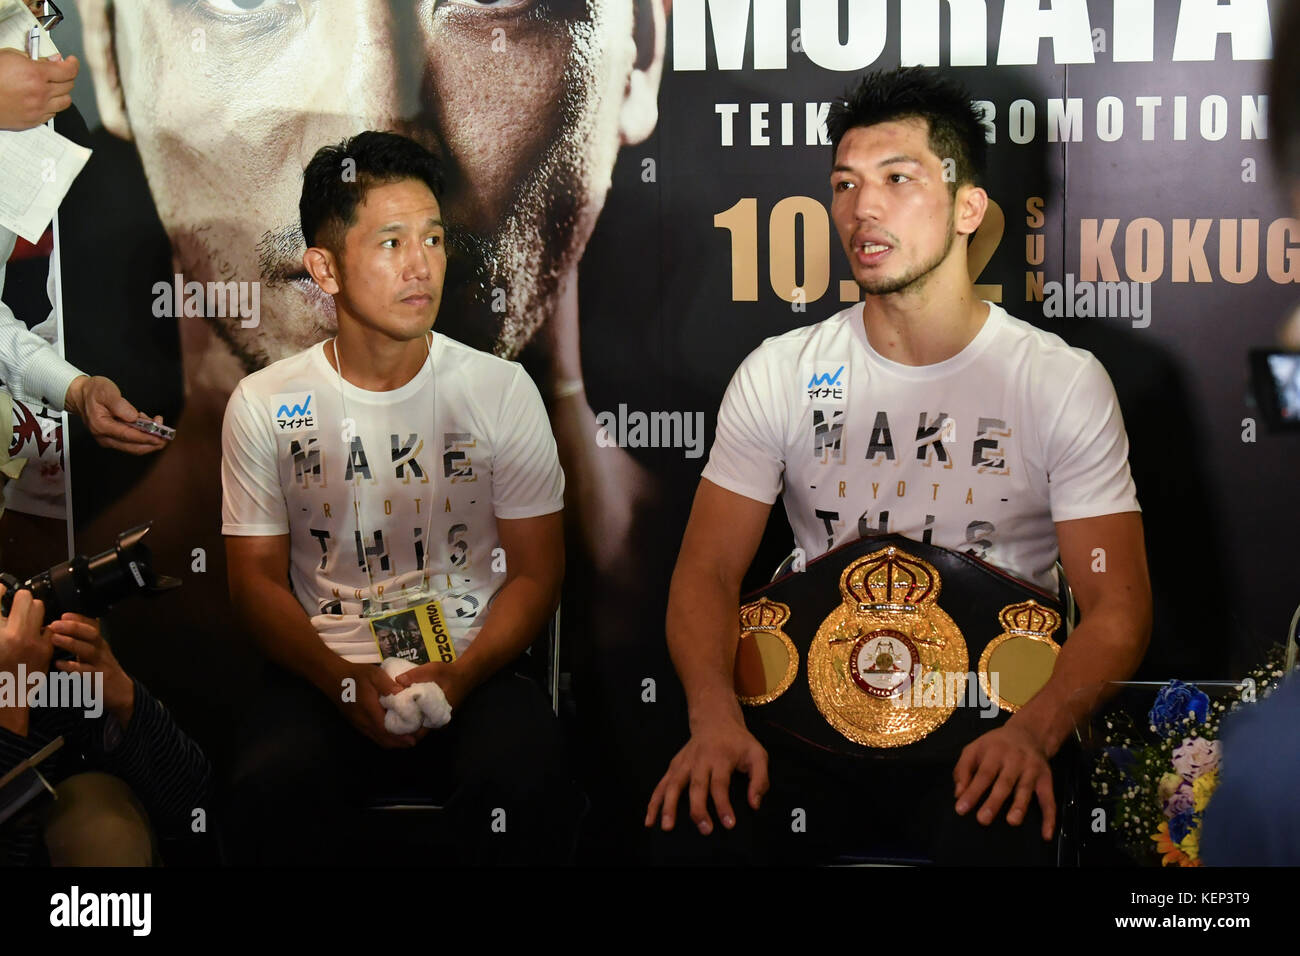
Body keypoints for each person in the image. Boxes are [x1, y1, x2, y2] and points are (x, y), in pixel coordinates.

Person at [645, 68, 1154, 865]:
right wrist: (714, 719)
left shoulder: (1058, 380)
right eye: (845, 184)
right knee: (698, 825)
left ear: (968, 208)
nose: (862, 208)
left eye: (897, 179)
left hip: (986, 728)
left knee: (1005, 832)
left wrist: (1034, 733)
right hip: (799, 724)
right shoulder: (780, 371)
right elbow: (707, 571)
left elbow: (1115, 607)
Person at [220, 131, 579, 865]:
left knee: (527, 778)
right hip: (325, 674)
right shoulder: (265, 402)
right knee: (269, 785)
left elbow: (539, 571)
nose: (421, 266)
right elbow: (252, 579)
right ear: (325, 268)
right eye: (390, 243)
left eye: (434, 239)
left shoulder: (497, 389)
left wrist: (460, 674)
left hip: (476, 672)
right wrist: (343, 682)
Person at [0, 585, 212, 866]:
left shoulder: (36, 672)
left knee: (98, 821)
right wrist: (11, 708)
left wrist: (127, 702)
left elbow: (193, 816)